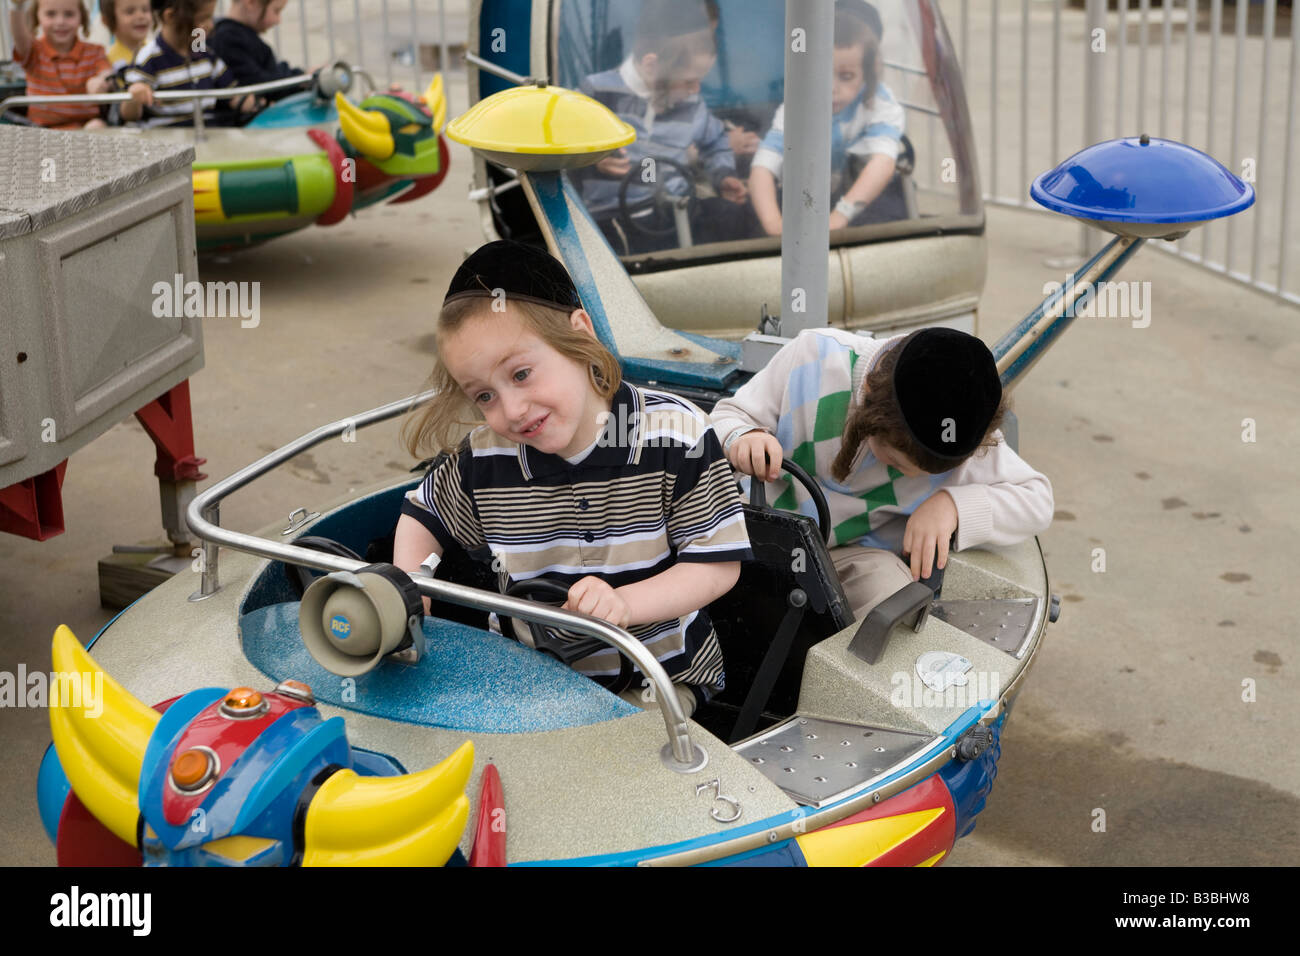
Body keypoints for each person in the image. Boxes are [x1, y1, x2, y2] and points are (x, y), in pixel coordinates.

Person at [393, 241, 753, 714]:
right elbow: (424, 515)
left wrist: (624, 605)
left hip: (654, 678)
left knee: (623, 756)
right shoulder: (486, 456)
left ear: (579, 336)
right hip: (525, 681)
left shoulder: (677, 434)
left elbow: (716, 566)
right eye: (484, 396)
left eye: (521, 374)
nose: (512, 411)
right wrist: (409, 583)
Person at [710, 326, 1054, 620]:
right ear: (872, 405)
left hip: (847, 559)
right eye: (898, 463)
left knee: (897, 601)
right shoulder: (812, 356)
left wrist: (951, 505)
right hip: (753, 533)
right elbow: (728, 415)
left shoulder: (963, 436)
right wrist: (744, 436)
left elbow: (1038, 500)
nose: (913, 477)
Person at [575, 0, 755, 254]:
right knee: (612, 247)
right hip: (616, 217)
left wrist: (723, 175)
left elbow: (716, 142)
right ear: (652, 67)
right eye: (689, 81)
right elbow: (560, 139)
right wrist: (589, 157)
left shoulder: (691, 103)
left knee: (730, 215)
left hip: (677, 209)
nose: (696, 91)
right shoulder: (597, 92)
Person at [750, 0, 907, 235]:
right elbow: (762, 167)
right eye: (820, 73)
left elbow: (883, 163)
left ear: (868, 73)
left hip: (860, 195)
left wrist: (841, 214)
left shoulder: (880, 103)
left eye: (846, 76)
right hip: (808, 192)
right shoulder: (797, 106)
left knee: (890, 219)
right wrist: (774, 225)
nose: (831, 88)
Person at [120, 0, 259, 127]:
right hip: (170, 140)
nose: (210, 25)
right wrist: (135, 96)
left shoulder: (204, 52)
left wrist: (255, 103)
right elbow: (129, 115)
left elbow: (232, 92)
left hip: (208, 134)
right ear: (170, 17)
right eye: (203, 19)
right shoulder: (148, 58)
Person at [7, 0, 111, 128]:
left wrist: (101, 80)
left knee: (97, 125)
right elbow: (19, 36)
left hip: (85, 130)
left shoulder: (95, 51)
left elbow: (107, 73)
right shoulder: (33, 51)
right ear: (37, 17)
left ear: (82, 17)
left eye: (69, 14)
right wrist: (17, 6)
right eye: (51, 14)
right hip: (42, 131)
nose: (60, 22)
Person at [209, 0, 306, 101]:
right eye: (276, 11)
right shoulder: (228, 39)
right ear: (251, 2)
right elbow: (262, 85)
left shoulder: (240, 34)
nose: (278, 20)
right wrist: (303, 80)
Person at [99, 0, 153, 70]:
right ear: (107, 20)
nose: (141, 16)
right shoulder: (107, 62)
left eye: (145, 10)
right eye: (130, 11)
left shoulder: (158, 51)